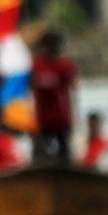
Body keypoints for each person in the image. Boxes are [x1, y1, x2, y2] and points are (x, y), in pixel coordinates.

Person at [28, 30, 78, 163]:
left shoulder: (64, 65)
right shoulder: (35, 65)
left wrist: (74, 119)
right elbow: (28, 90)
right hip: (41, 120)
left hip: (61, 119)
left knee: (64, 154)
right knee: (39, 155)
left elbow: (73, 91)